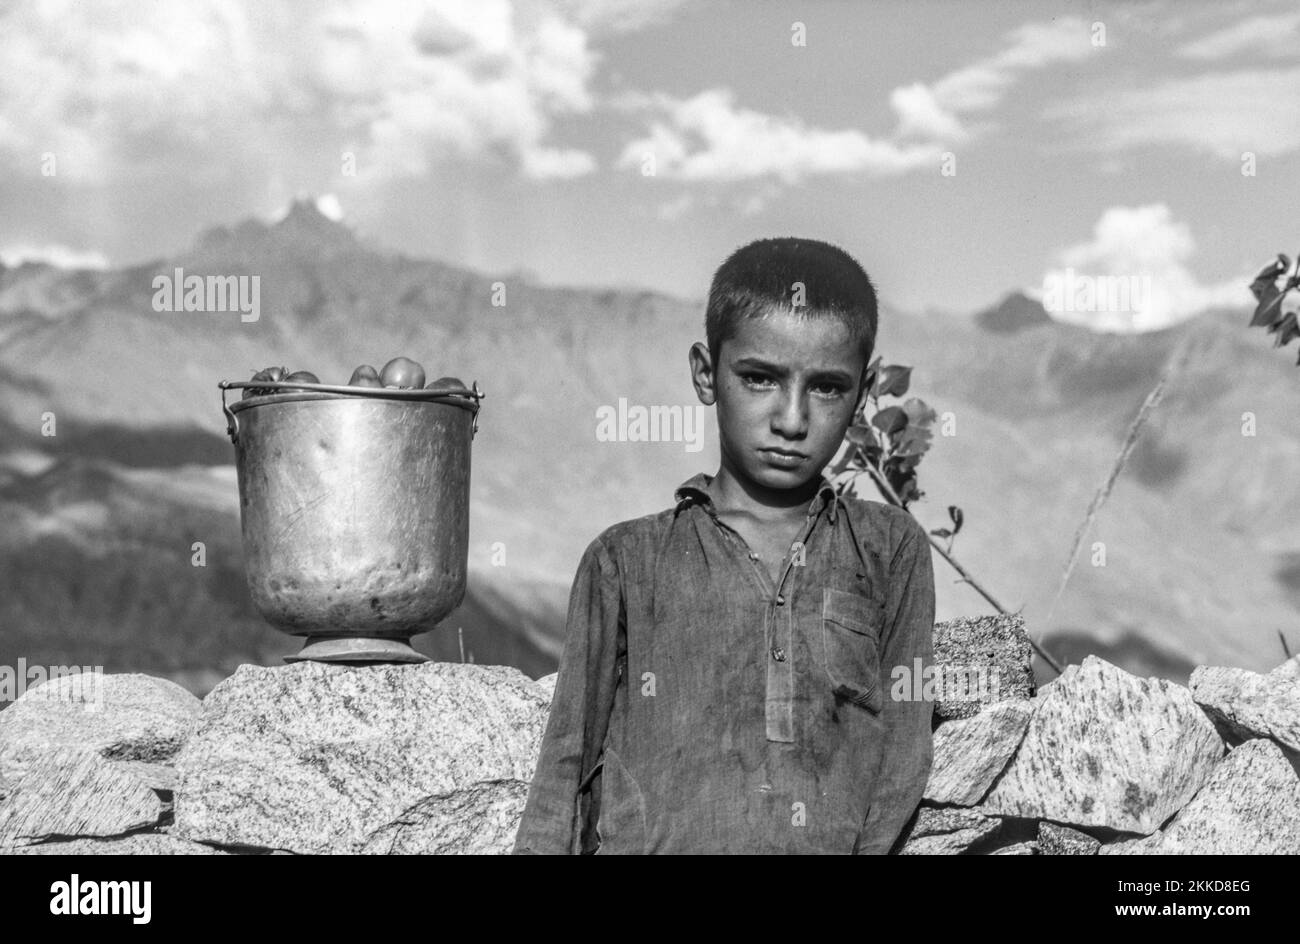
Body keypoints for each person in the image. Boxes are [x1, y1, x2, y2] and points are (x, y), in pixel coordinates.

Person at [513, 236, 936, 854]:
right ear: (707, 374)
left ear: (863, 393)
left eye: (826, 388)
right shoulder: (625, 561)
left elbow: (902, 751)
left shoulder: (889, 549)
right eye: (761, 378)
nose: (792, 420)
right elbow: (565, 764)